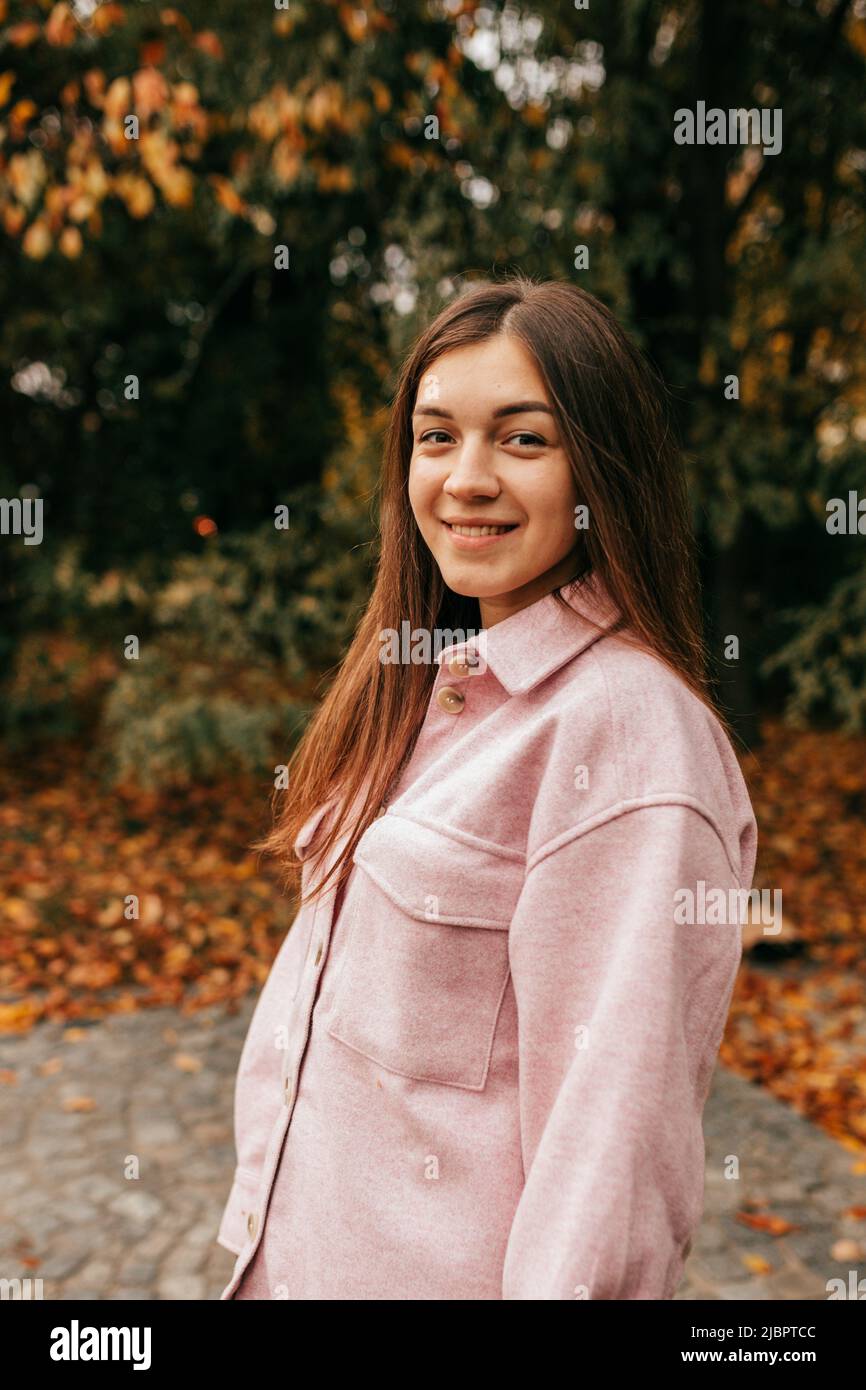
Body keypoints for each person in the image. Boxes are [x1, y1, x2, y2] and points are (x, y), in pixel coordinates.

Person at [216, 273, 757, 1300]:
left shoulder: (626, 740)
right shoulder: (428, 681)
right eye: (434, 437)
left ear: (599, 467)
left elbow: (607, 1152)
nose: (465, 477)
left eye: (521, 438)